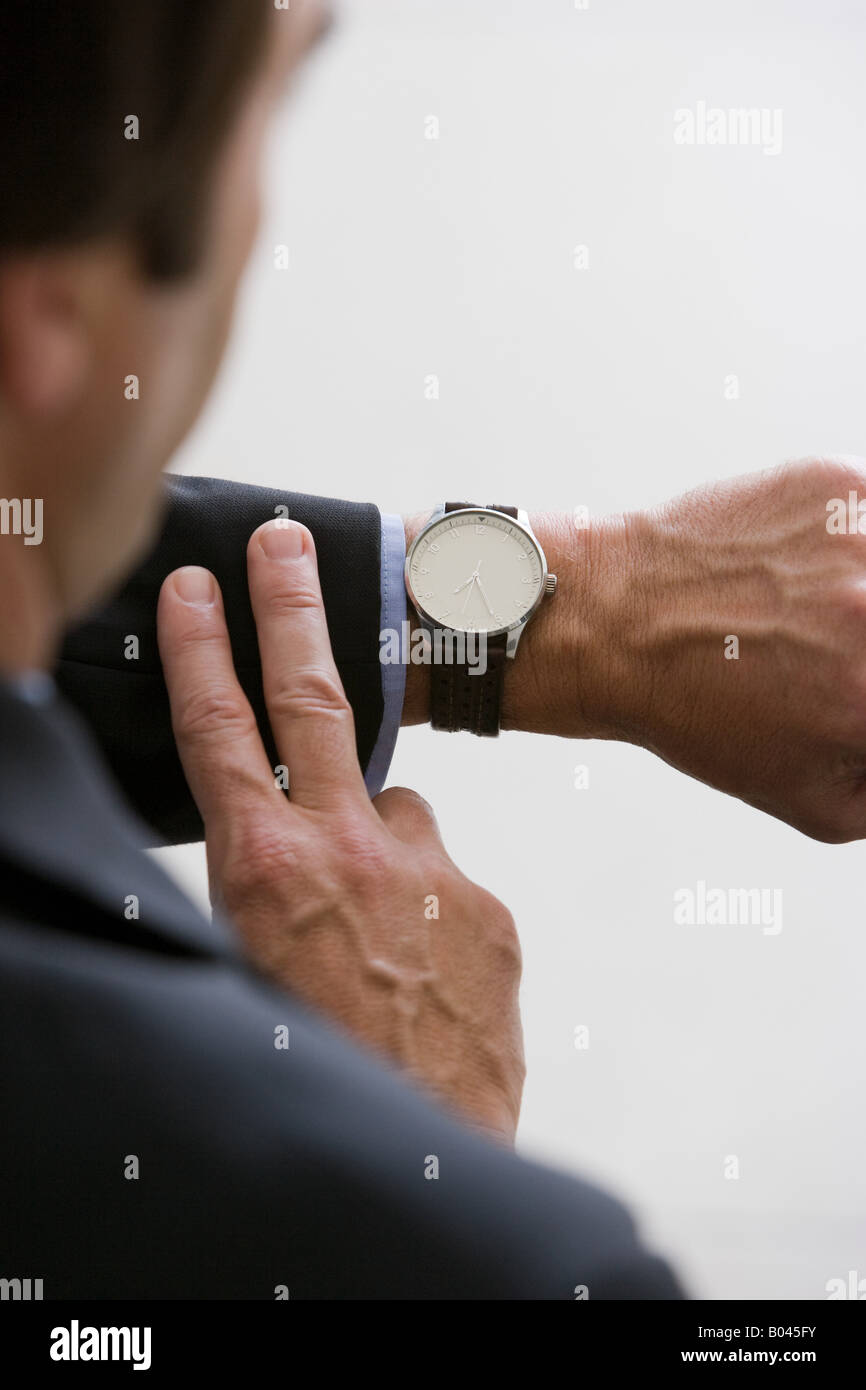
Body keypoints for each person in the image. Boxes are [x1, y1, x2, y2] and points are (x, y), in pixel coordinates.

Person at [1, 0, 864, 1298]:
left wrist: (583, 615)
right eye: (266, 113)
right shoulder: (439, 1243)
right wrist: (396, 1158)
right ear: (49, 319)